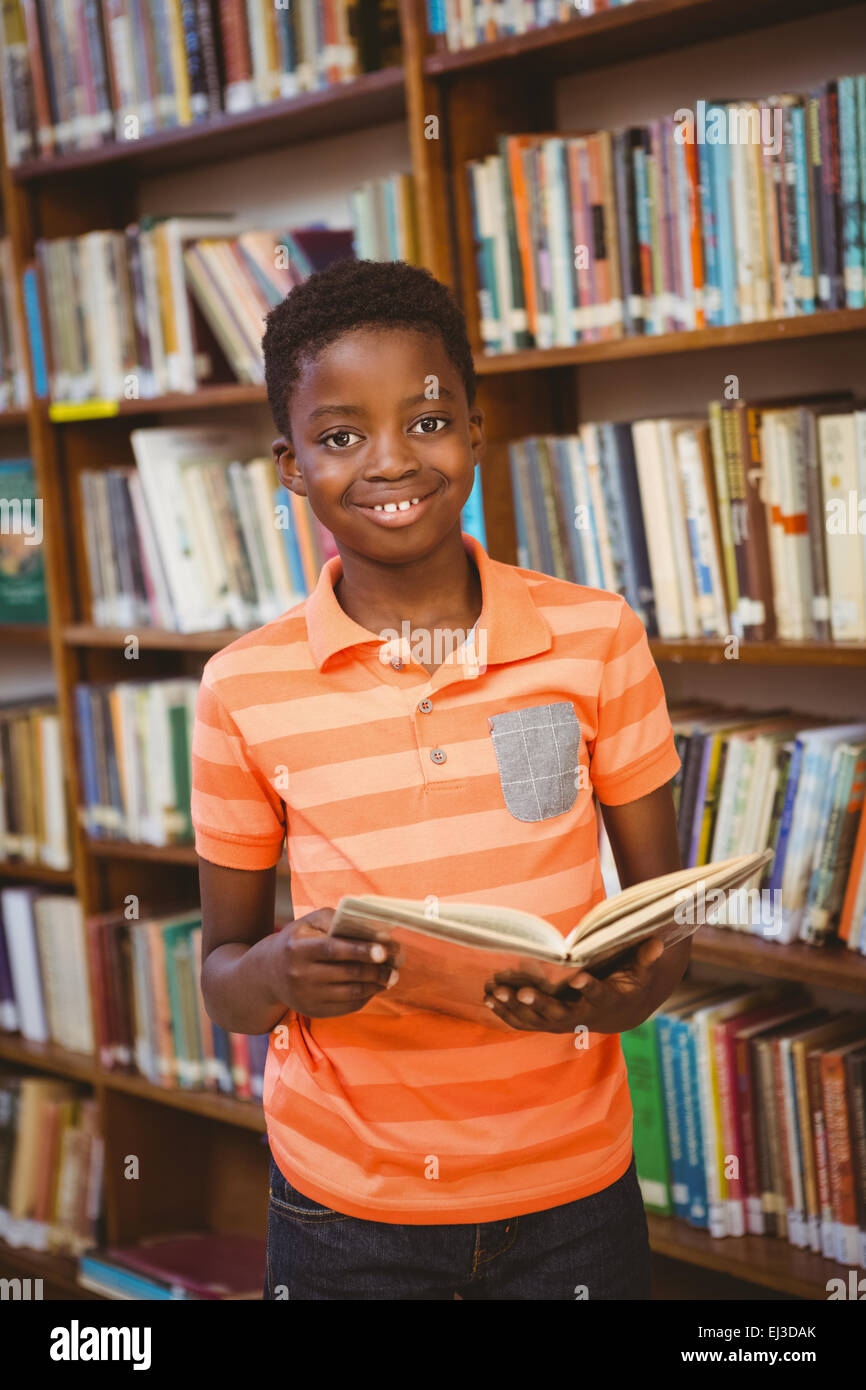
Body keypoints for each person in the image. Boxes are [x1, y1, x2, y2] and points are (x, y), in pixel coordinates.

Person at [191, 257, 687, 1300]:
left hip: (571, 1196)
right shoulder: (241, 688)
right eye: (339, 436)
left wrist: (605, 997)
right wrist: (283, 969)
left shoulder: (594, 638)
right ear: (290, 464)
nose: (388, 461)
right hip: (343, 1211)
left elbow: (660, 934)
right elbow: (224, 979)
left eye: (424, 421)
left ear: (473, 428)